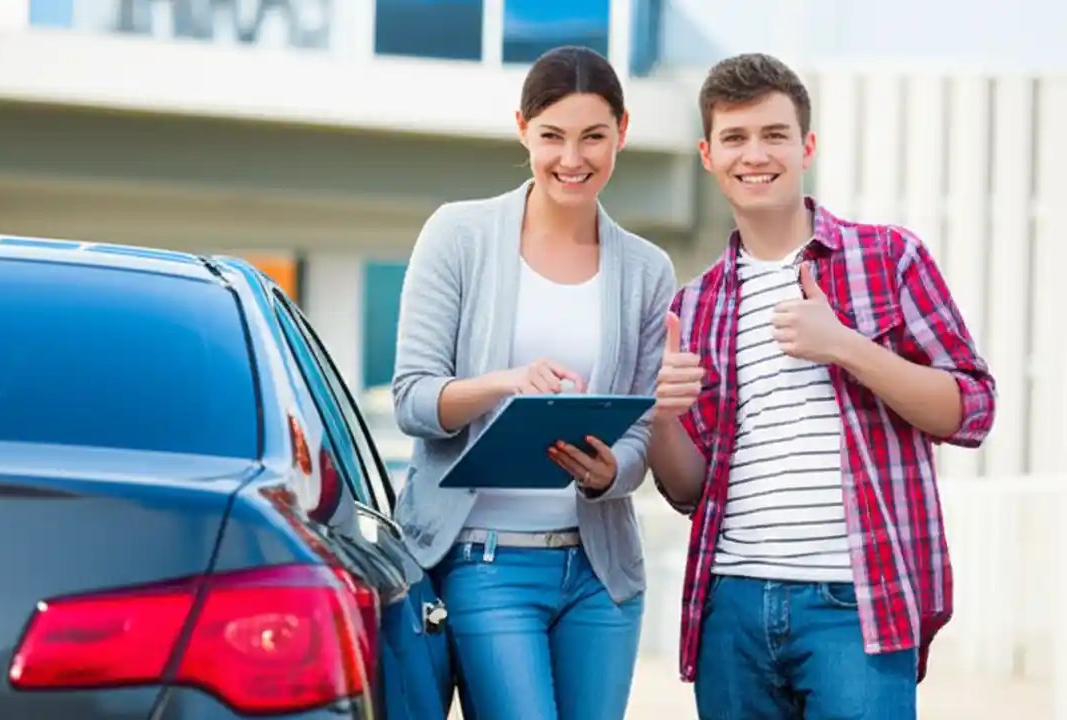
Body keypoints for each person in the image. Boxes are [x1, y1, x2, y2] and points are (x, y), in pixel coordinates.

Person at [646, 52, 998, 719]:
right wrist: (662, 417)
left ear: (806, 145)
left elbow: (972, 410)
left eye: (774, 134)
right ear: (707, 154)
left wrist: (844, 345)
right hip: (732, 607)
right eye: (736, 138)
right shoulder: (694, 306)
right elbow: (688, 489)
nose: (756, 154)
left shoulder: (889, 259)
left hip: (854, 604)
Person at [390, 45, 677, 720]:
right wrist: (504, 384)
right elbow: (413, 399)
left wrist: (609, 473)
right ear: (522, 127)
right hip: (485, 564)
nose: (571, 159)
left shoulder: (646, 269)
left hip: (599, 576)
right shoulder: (457, 236)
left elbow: (639, 427)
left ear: (622, 134)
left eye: (592, 138)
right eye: (552, 136)